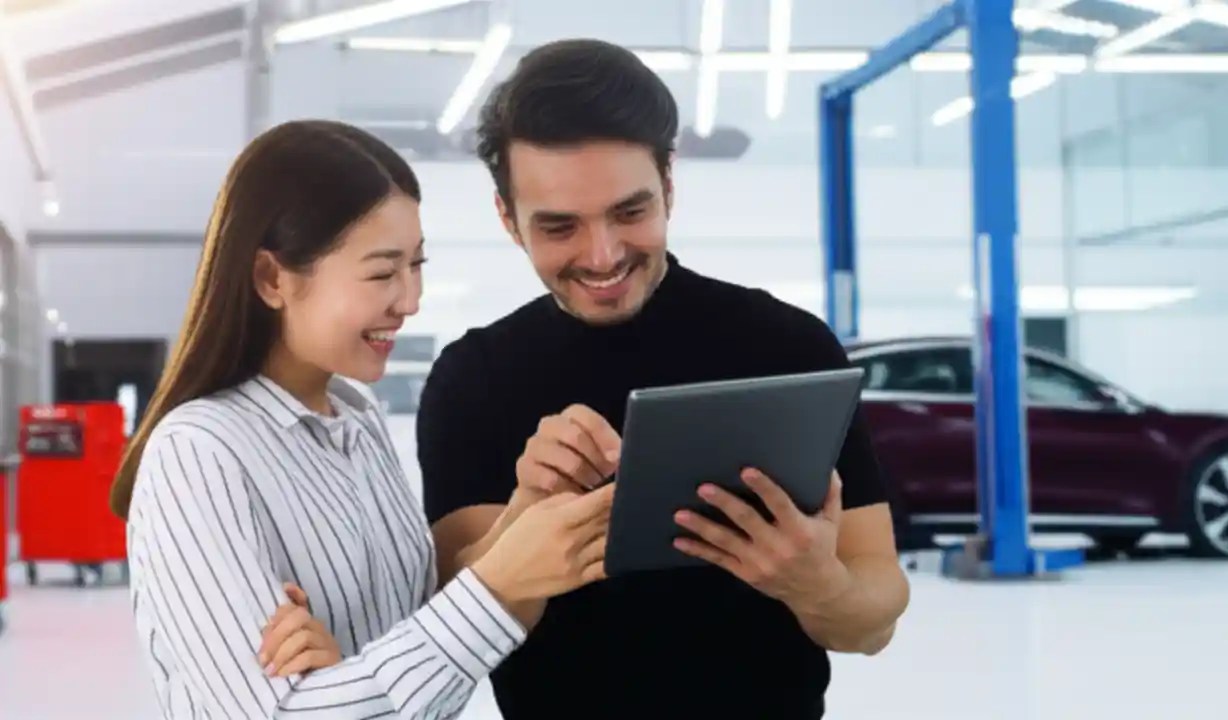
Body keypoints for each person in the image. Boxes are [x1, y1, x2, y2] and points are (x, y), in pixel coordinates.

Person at [417, 39, 911, 720]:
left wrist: (815, 583)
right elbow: (454, 632)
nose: (603, 256)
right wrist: (523, 514)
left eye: (630, 212)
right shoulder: (473, 378)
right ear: (508, 218)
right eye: (560, 226)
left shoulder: (789, 346)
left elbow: (874, 623)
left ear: (669, 185)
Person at [109, 119, 616, 719]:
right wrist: (498, 586)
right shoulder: (198, 453)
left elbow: (413, 634)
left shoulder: (358, 417)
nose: (411, 300)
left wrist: (528, 509)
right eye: (382, 273)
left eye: (417, 265)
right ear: (272, 278)